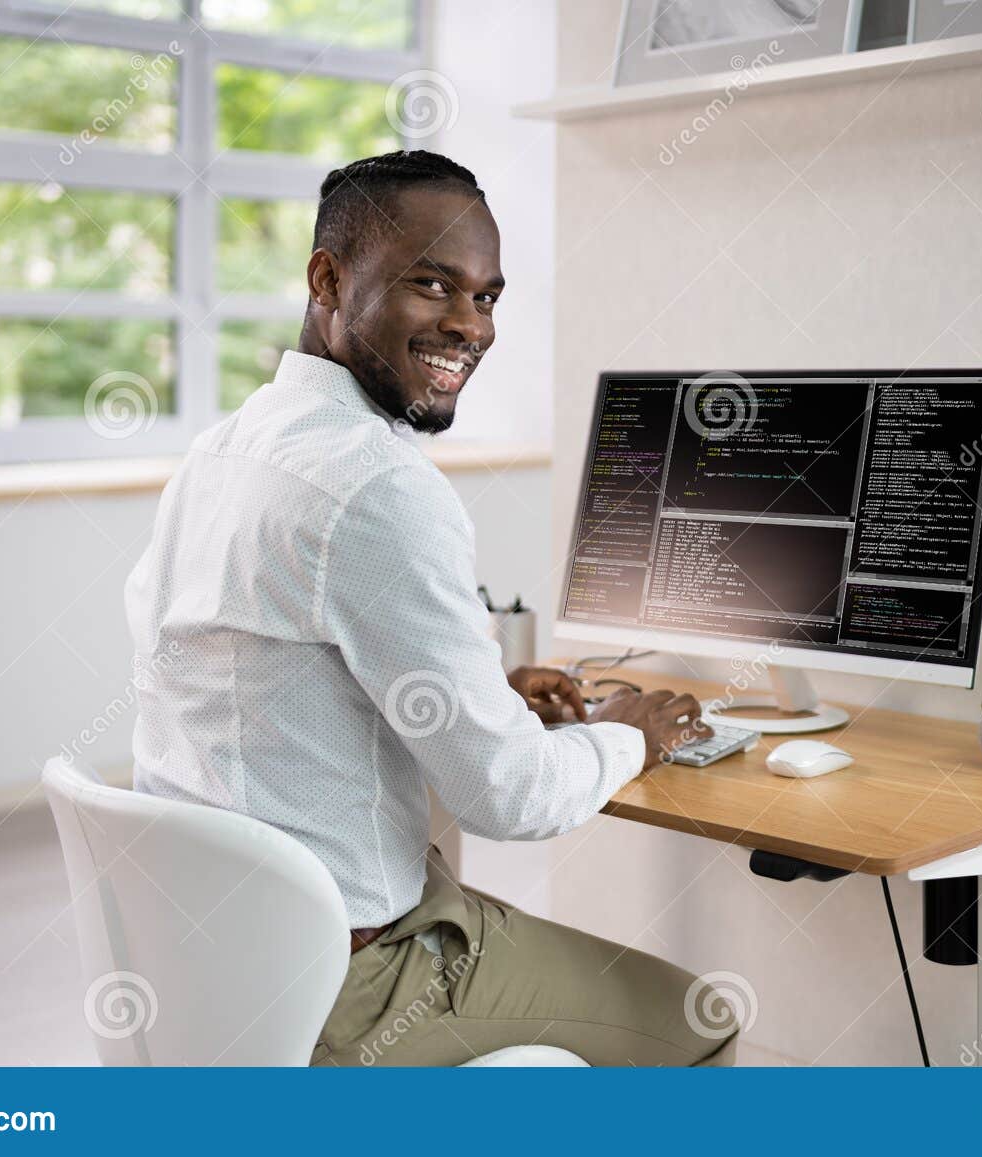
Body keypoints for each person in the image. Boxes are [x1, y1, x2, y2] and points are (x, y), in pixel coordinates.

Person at [124, 150, 738, 1066]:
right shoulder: (376, 485)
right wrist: (628, 730)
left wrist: (482, 695)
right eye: (432, 284)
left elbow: (262, 686)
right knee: (702, 1022)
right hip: (352, 987)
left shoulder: (221, 450)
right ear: (328, 279)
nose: (467, 325)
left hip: (213, 964)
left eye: (487, 297)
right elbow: (510, 797)